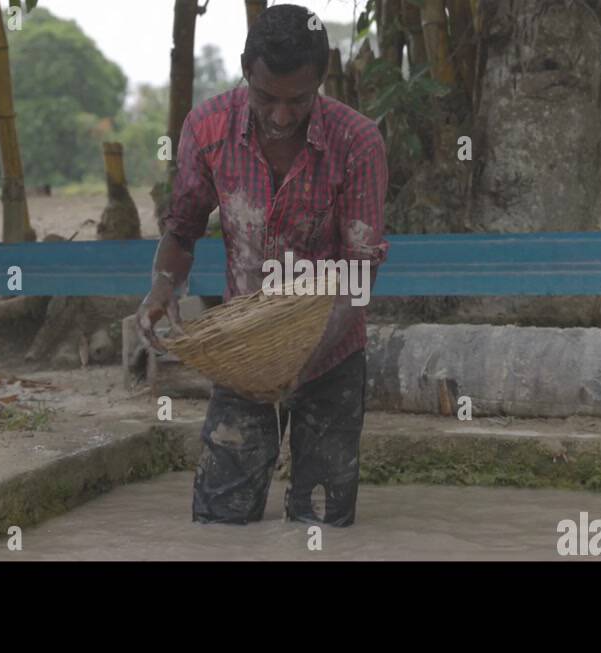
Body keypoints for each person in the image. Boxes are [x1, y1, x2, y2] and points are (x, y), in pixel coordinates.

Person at [137, 4, 388, 527]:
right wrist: (163, 288)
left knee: (322, 524)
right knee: (220, 519)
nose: (279, 116)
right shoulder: (208, 128)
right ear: (246, 70)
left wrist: (298, 352)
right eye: (265, 97)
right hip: (243, 355)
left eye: (297, 100)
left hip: (331, 355)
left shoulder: (357, 142)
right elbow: (182, 230)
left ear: (321, 79)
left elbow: (360, 270)